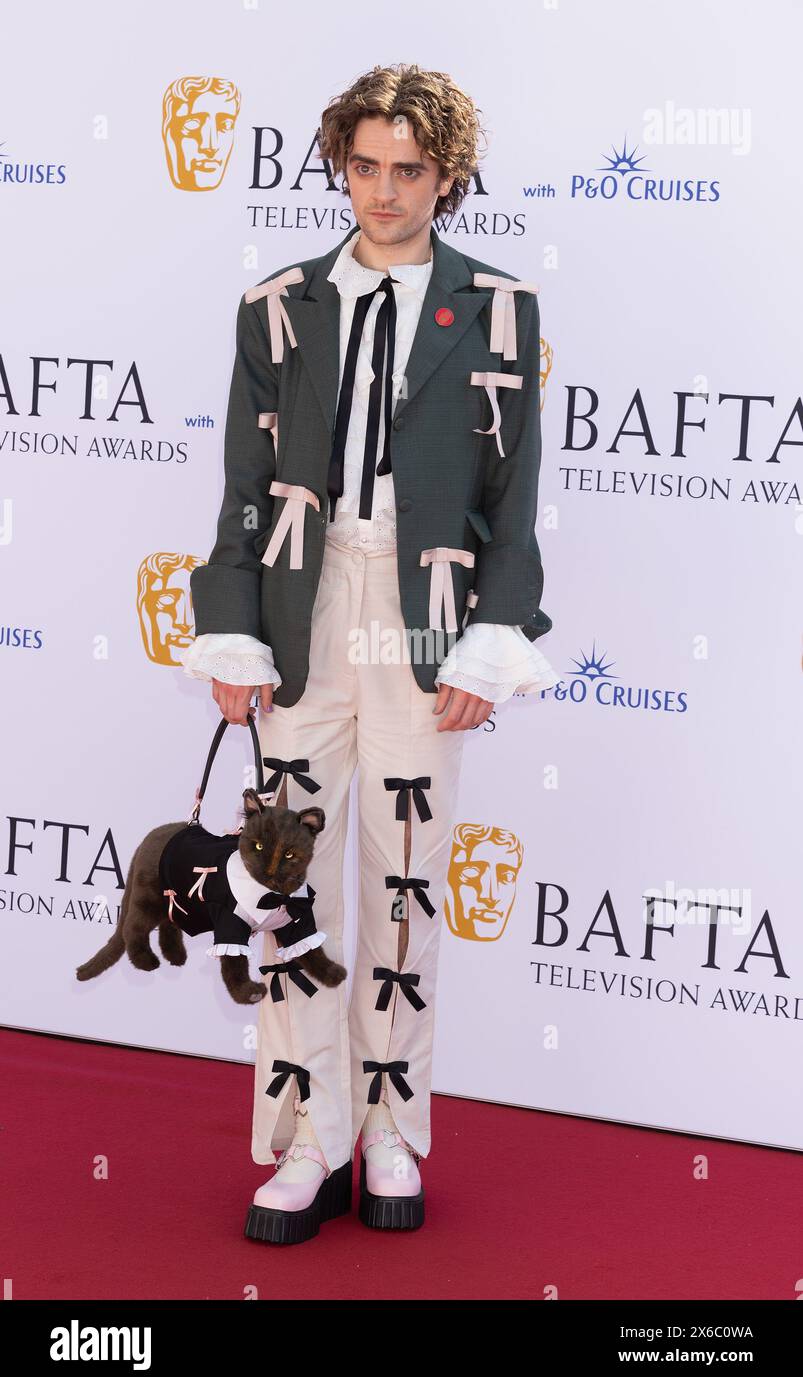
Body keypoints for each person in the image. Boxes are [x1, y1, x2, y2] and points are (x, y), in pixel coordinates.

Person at [179, 61, 558, 1243]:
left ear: (445, 177)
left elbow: (511, 493)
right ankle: (305, 1135)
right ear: (339, 164)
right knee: (286, 884)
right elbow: (244, 485)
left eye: (408, 171)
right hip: (301, 600)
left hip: (419, 601)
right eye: (363, 166)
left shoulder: (497, 304)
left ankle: (388, 1127)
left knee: (404, 875)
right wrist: (231, 625)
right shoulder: (276, 302)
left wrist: (483, 642)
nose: (382, 192)